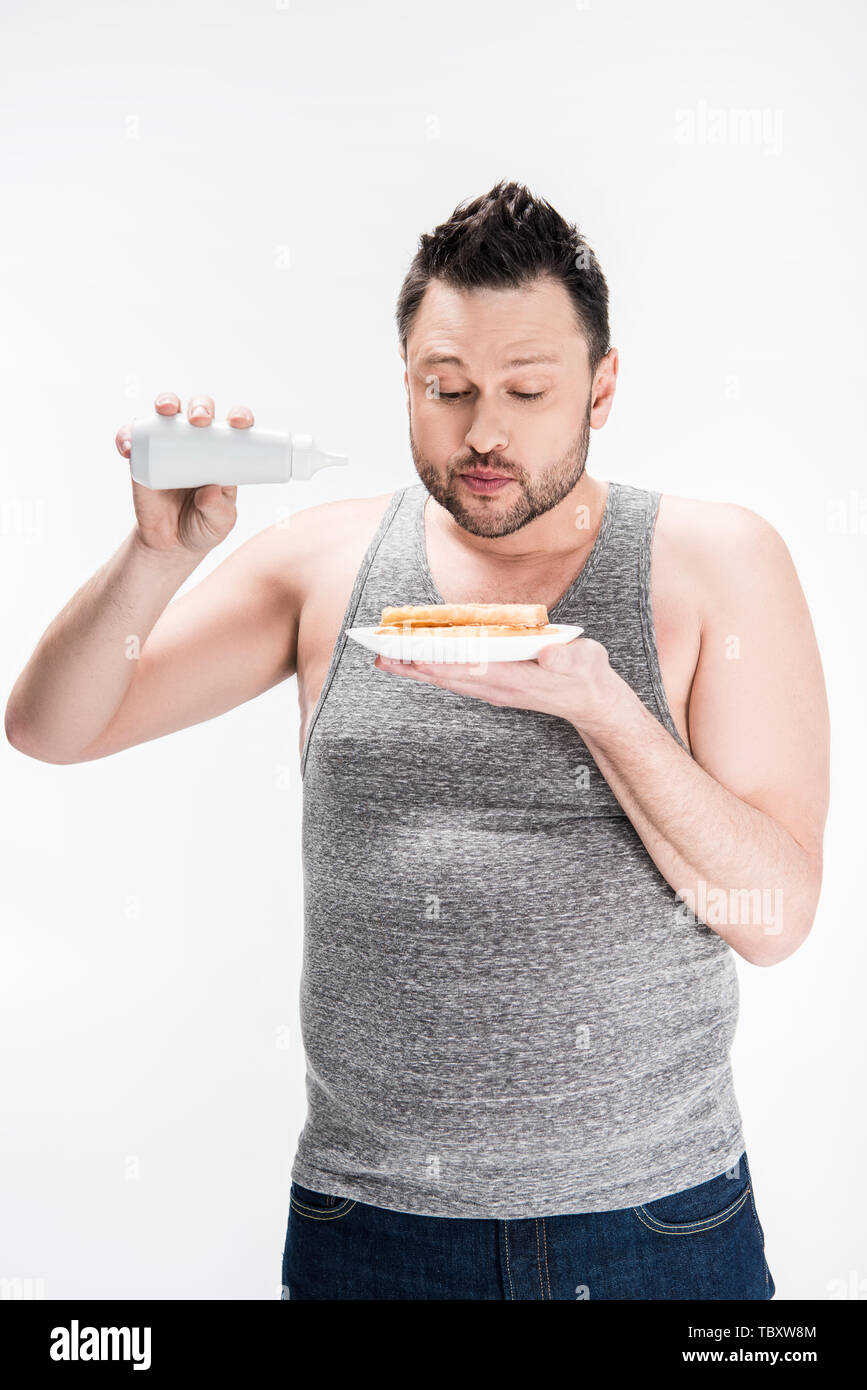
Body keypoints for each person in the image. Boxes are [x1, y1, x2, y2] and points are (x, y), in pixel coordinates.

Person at [5, 181, 829, 1300]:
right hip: (373, 1230)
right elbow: (50, 727)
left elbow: (774, 919)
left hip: (657, 1225)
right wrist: (158, 553)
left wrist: (601, 704)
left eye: (528, 391)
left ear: (604, 386)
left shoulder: (717, 560)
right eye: (448, 389)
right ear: (407, 381)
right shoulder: (324, 564)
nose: (484, 432)